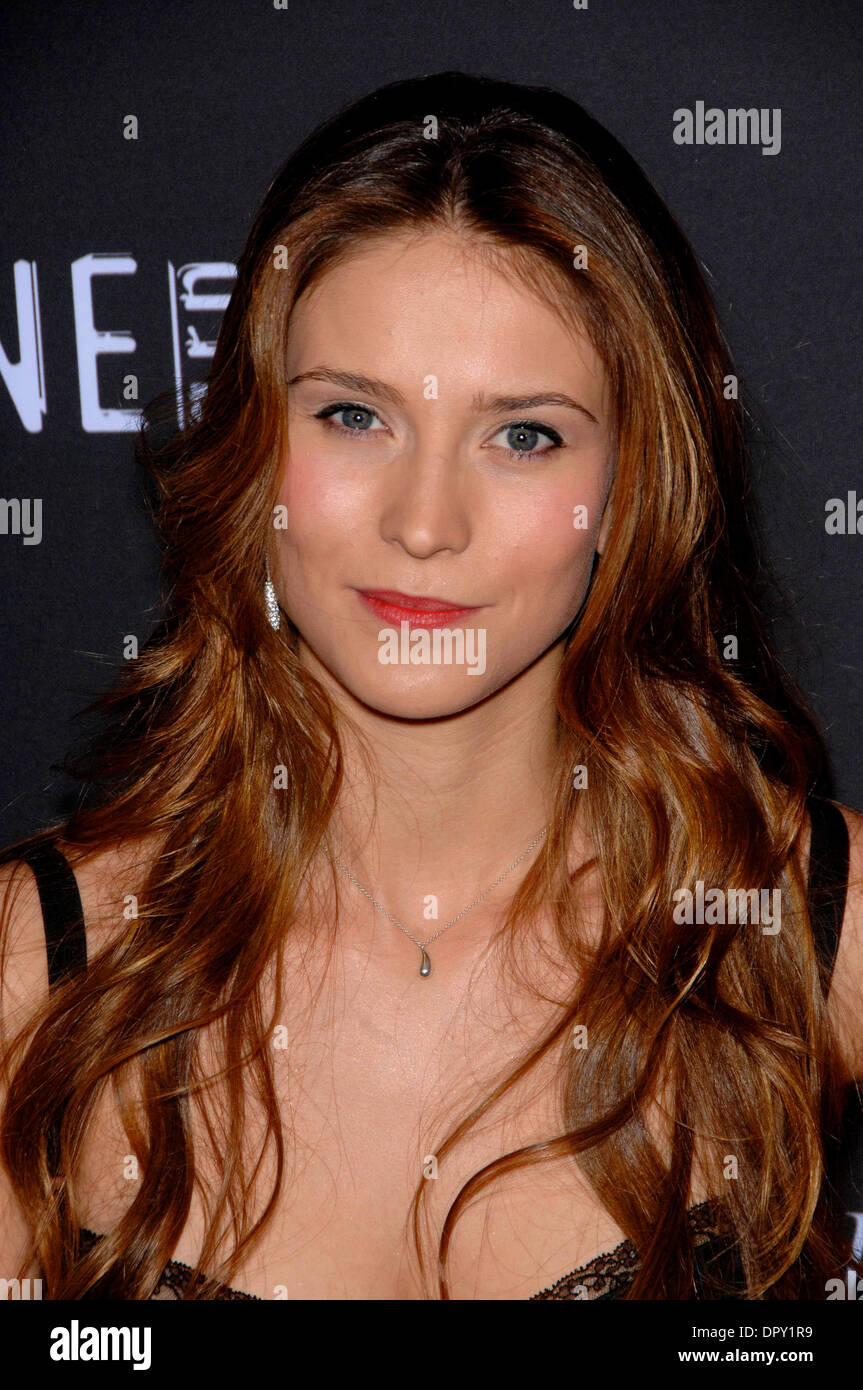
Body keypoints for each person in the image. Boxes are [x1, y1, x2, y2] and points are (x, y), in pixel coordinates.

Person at [1, 70, 861, 1301]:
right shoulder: (47, 963)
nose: (423, 522)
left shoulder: (802, 923)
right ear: (255, 452)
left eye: (523, 435)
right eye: (354, 415)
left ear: (630, 488)